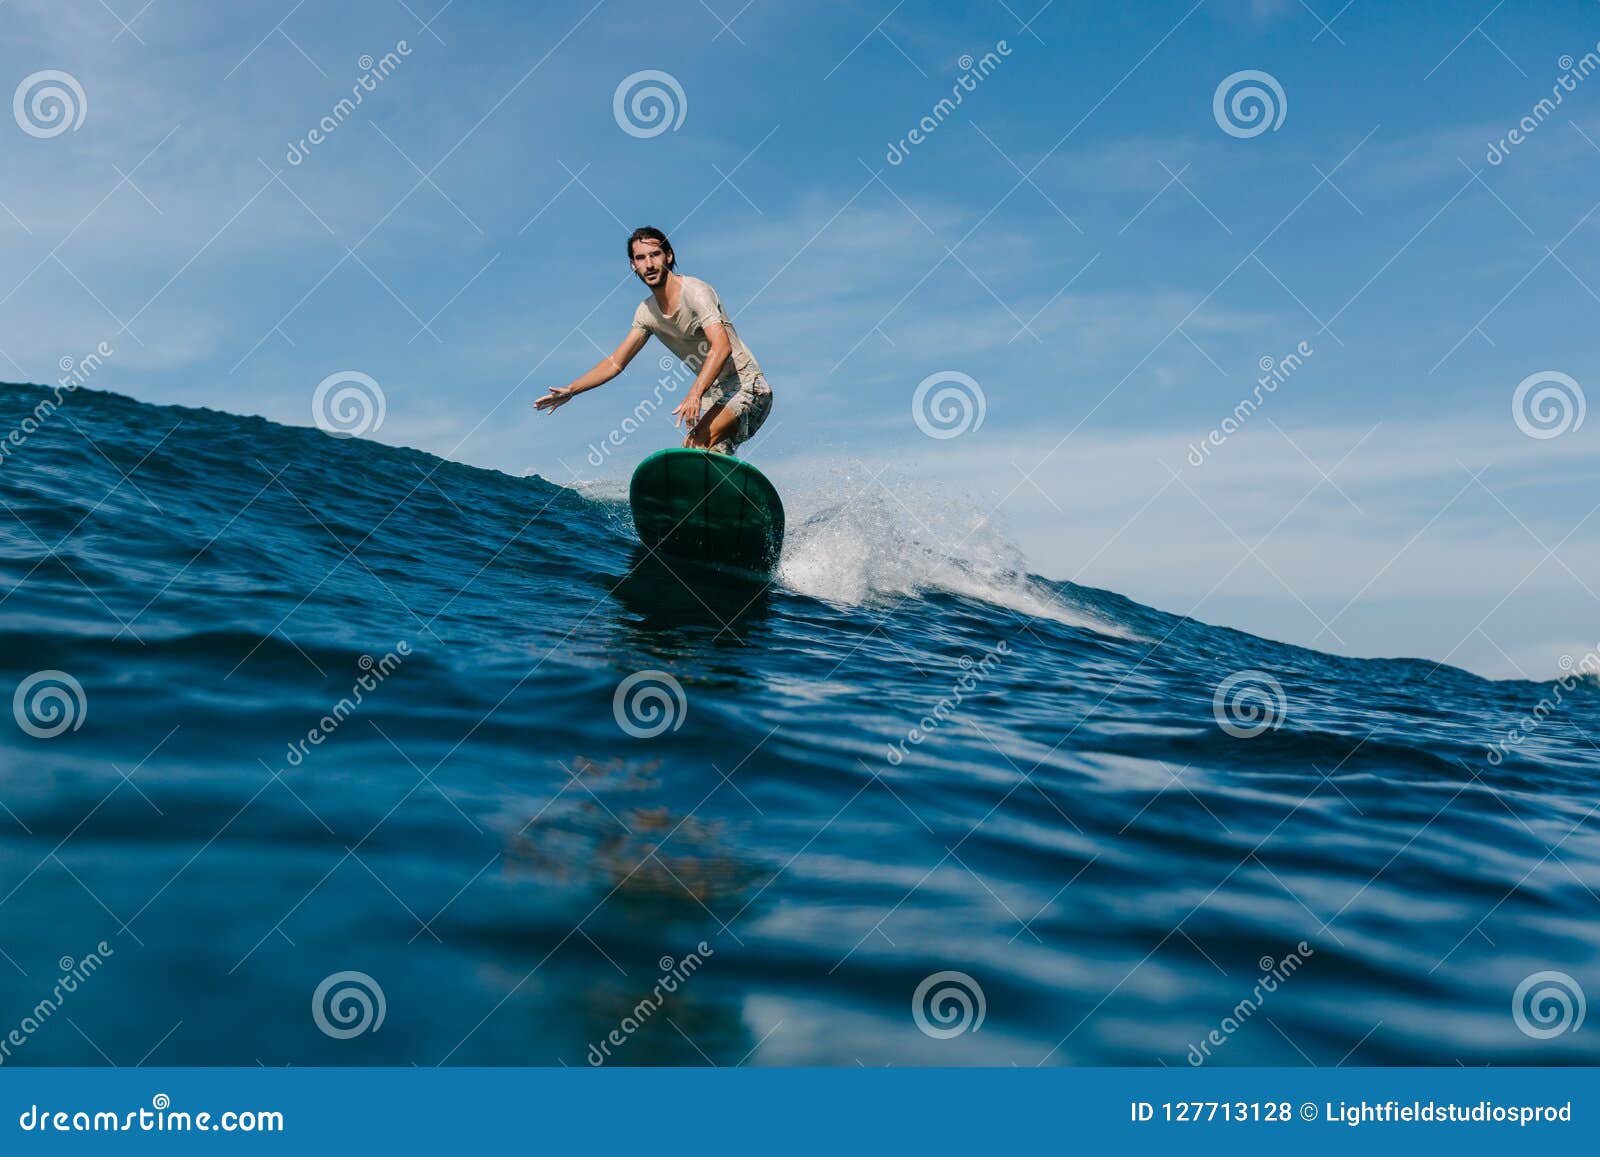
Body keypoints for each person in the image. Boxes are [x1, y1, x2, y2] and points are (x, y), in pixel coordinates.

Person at [533, 227, 773, 455]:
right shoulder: (646, 313)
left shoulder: (695, 292)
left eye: (655, 255)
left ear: (668, 256)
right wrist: (572, 389)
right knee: (701, 459)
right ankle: (730, 497)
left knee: (695, 444)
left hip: (748, 387)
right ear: (633, 265)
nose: (648, 264)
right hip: (714, 395)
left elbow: (721, 346)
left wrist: (695, 393)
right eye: (640, 258)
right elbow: (616, 362)